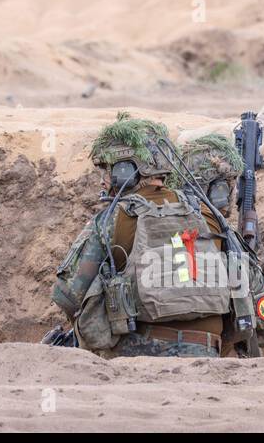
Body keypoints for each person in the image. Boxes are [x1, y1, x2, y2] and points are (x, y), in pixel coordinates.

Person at [48, 114, 240, 358]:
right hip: (207, 349)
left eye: (108, 170)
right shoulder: (208, 215)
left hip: (139, 351)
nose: (103, 180)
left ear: (125, 169)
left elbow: (68, 296)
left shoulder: (113, 217)